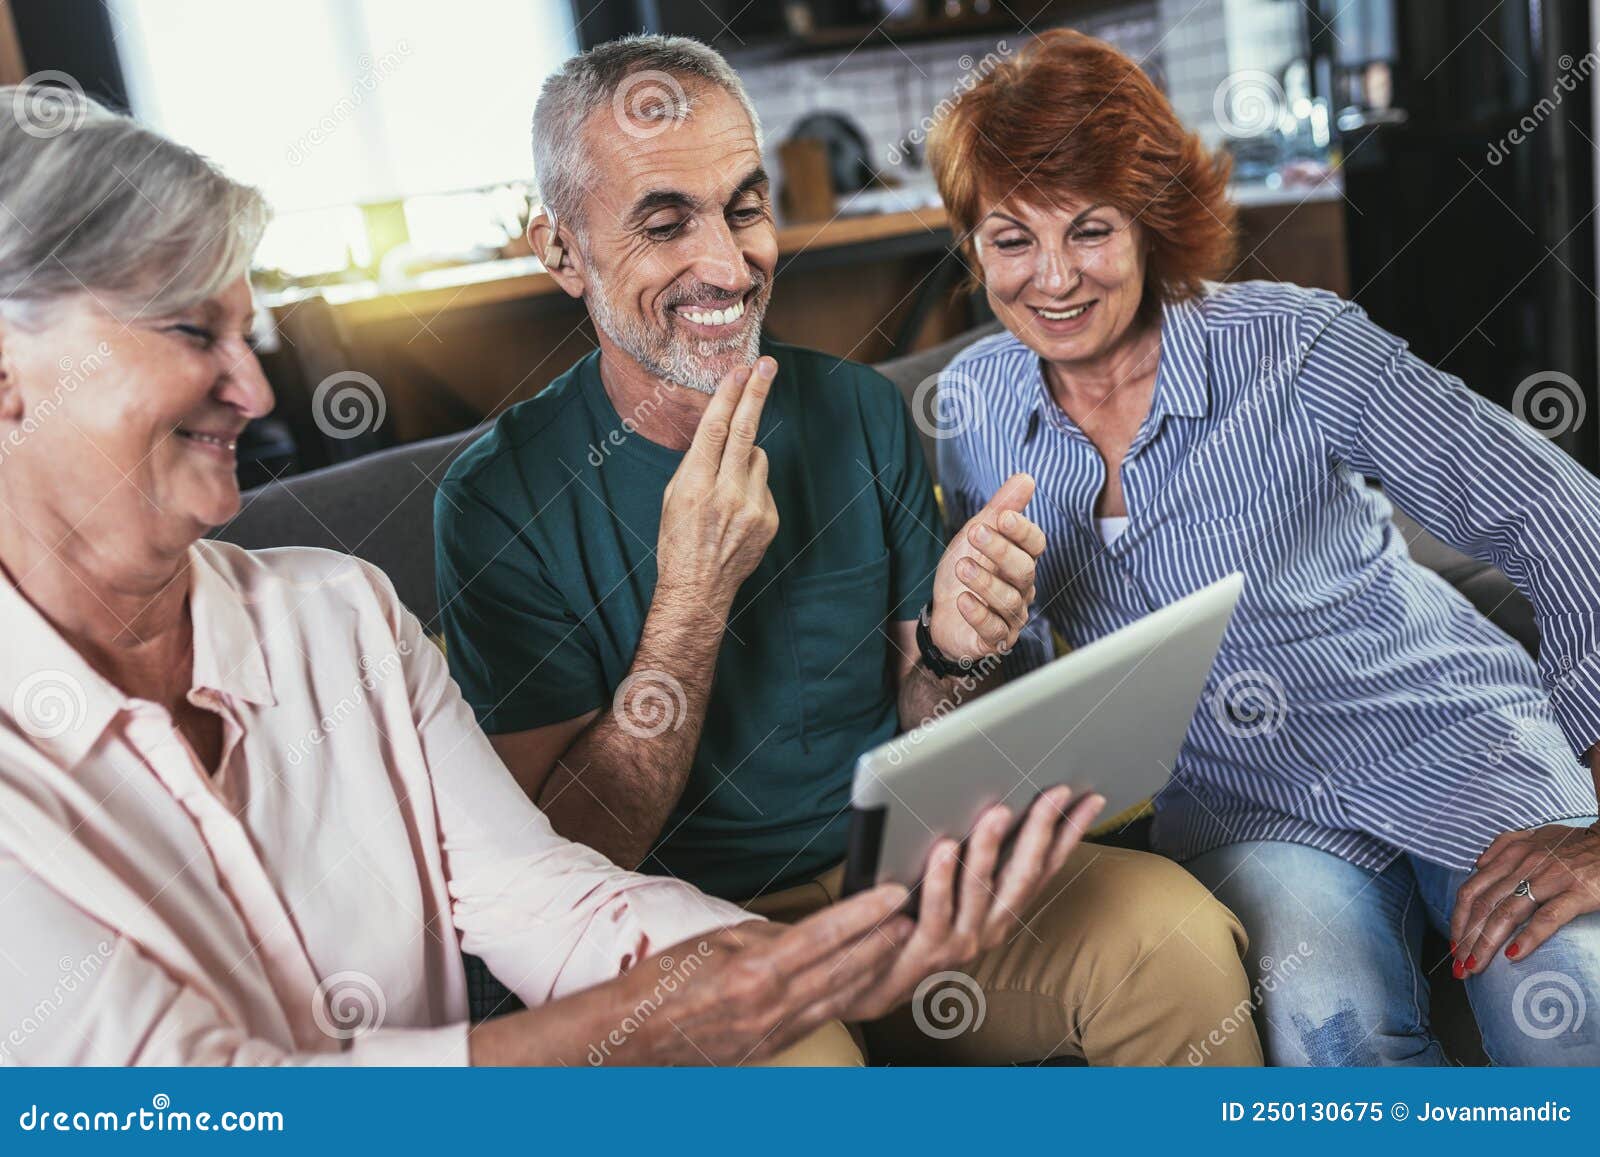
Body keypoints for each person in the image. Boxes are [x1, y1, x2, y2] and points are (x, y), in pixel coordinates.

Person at [0, 84, 1099, 1068]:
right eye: (194, 330)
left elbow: (546, 892)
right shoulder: (497, 497)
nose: (253, 389)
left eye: (254, 333)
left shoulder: (335, 613)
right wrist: (674, 1010)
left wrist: (802, 963)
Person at [435, 34, 1261, 1066]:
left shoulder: (855, 409)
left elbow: (925, 708)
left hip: (895, 883)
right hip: (680, 930)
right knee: (811, 1064)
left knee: (1174, 941)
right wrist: (691, 599)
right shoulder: (497, 499)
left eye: (743, 205)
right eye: (663, 221)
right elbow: (558, 865)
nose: (729, 265)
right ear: (561, 251)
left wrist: (956, 650)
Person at [925, 28, 1600, 1065]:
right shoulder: (969, 403)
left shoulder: (1295, 345)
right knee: (1323, 1023)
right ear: (973, 247)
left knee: (1563, 993)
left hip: (1454, 740)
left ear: (1150, 221)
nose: (1051, 278)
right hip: (1252, 813)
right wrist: (964, 639)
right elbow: (1008, 695)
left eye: (1090, 230)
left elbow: (1562, 517)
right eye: (1011, 237)